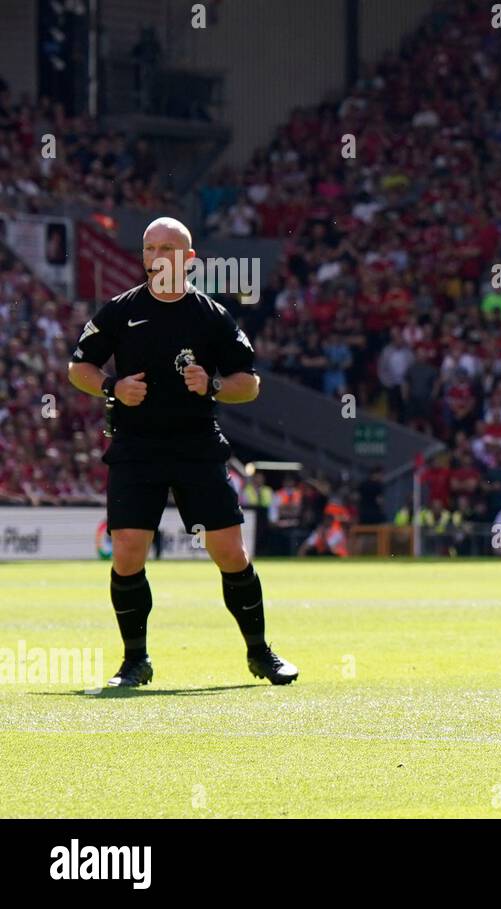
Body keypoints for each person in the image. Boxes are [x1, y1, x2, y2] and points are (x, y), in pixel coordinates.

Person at [66, 216, 298, 688]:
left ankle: (260, 652)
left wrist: (212, 384)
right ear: (144, 257)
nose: (158, 256)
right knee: (128, 552)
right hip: (136, 446)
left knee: (230, 552)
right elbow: (78, 367)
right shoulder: (119, 311)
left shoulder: (212, 315)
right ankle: (135, 661)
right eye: (151, 248)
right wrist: (113, 387)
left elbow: (248, 384)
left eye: (169, 248)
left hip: (196, 445)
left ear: (189, 260)